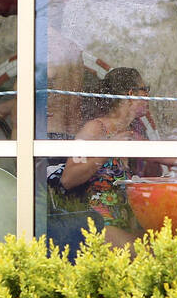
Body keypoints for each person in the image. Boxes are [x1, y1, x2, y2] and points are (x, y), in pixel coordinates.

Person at [51, 67, 152, 248]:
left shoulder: (134, 131)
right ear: (131, 94)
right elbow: (68, 178)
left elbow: (168, 157)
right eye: (146, 89)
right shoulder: (95, 129)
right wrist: (108, 148)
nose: (149, 96)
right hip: (98, 223)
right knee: (146, 255)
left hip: (126, 221)